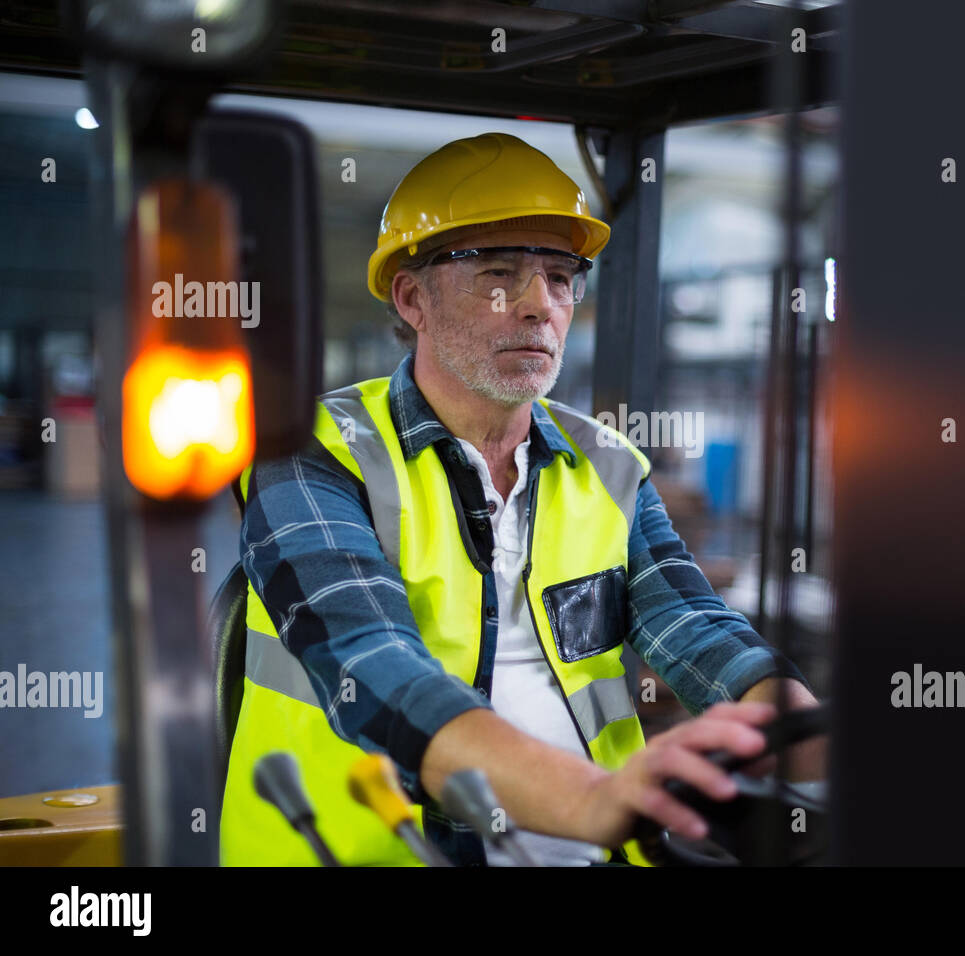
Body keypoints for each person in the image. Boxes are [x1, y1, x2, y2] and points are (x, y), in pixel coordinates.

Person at [219, 132, 822, 867]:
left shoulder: (610, 465)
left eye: (561, 278)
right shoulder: (311, 451)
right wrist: (591, 801)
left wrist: (805, 736)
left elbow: (695, 628)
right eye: (500, 275)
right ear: (413, 298)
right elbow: (370, 665)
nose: (540, 307)